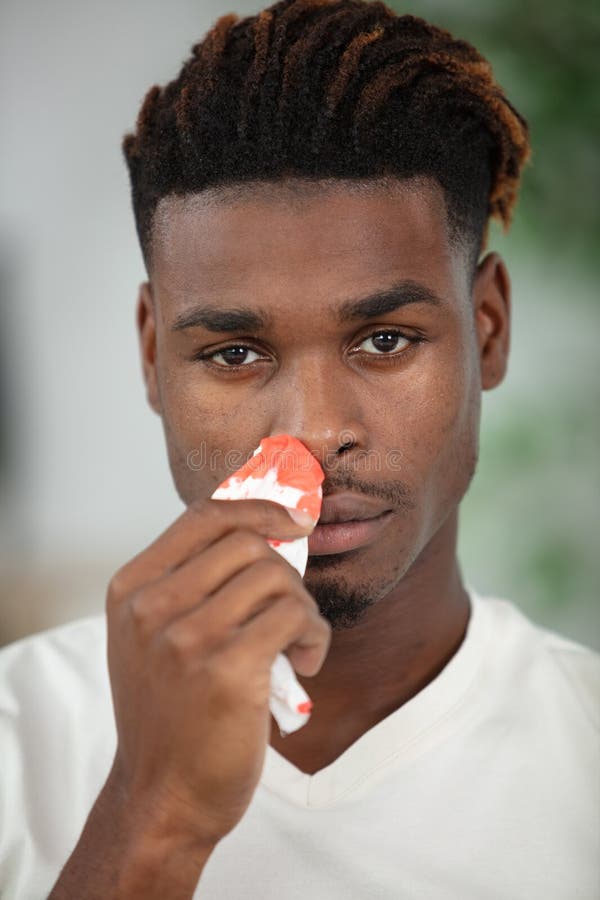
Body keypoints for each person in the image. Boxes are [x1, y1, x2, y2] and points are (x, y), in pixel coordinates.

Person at [1, 1, 598, 897]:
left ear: (489, 327)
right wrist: (150, 818)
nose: (315, 429)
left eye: (386, 340)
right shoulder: (14, 736)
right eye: (234, 354)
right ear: (152, 355)